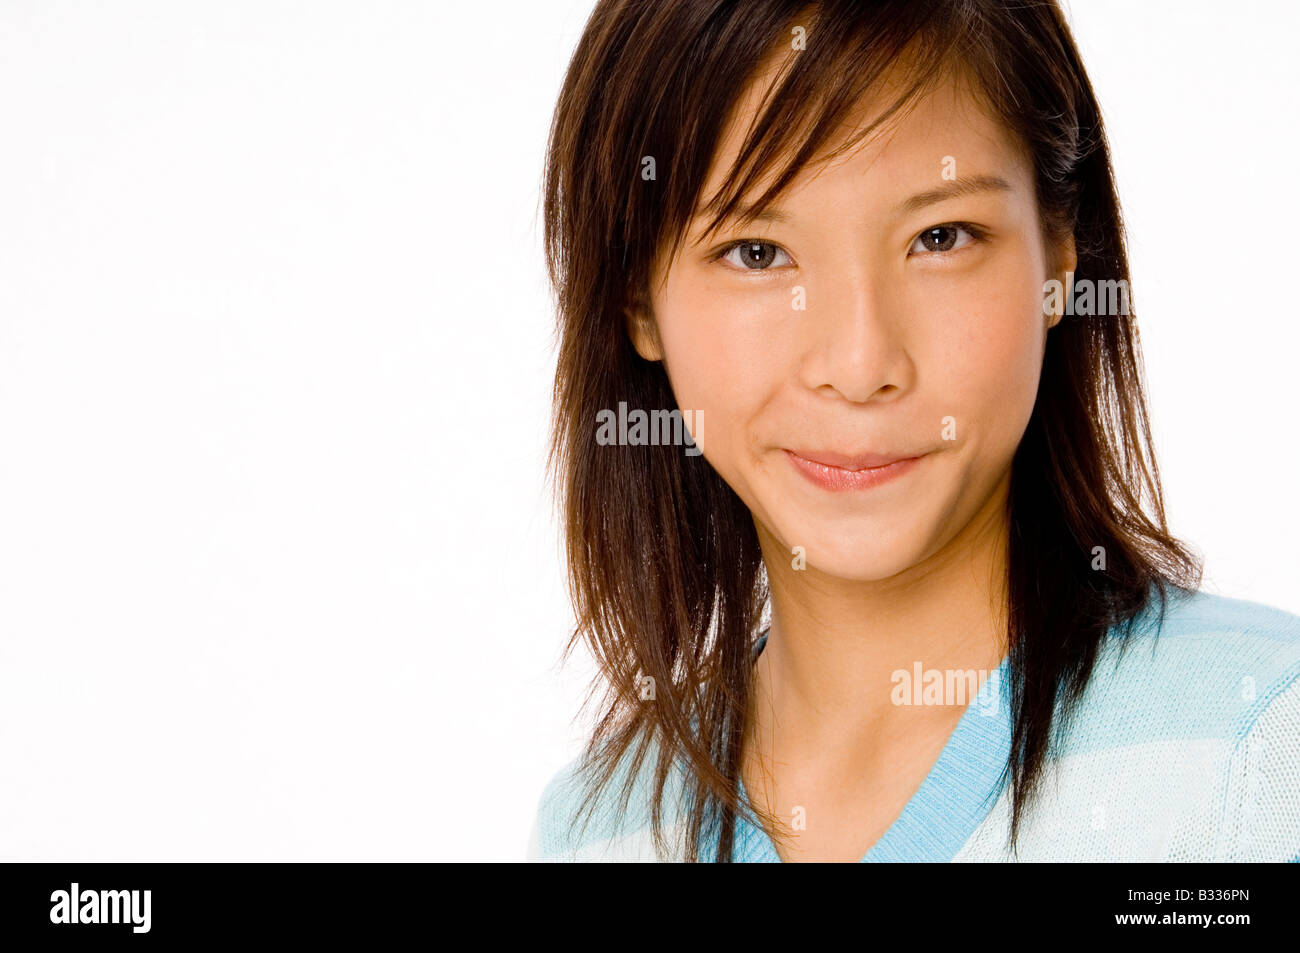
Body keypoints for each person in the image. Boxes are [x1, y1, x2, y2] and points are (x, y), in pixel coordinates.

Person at [529, 0, 1300, 862]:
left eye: (940, 237)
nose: (859, 366)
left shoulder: (1259, 752)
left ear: (1060, 253)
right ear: (639, 301)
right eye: (756, 252)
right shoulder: (600, 833)